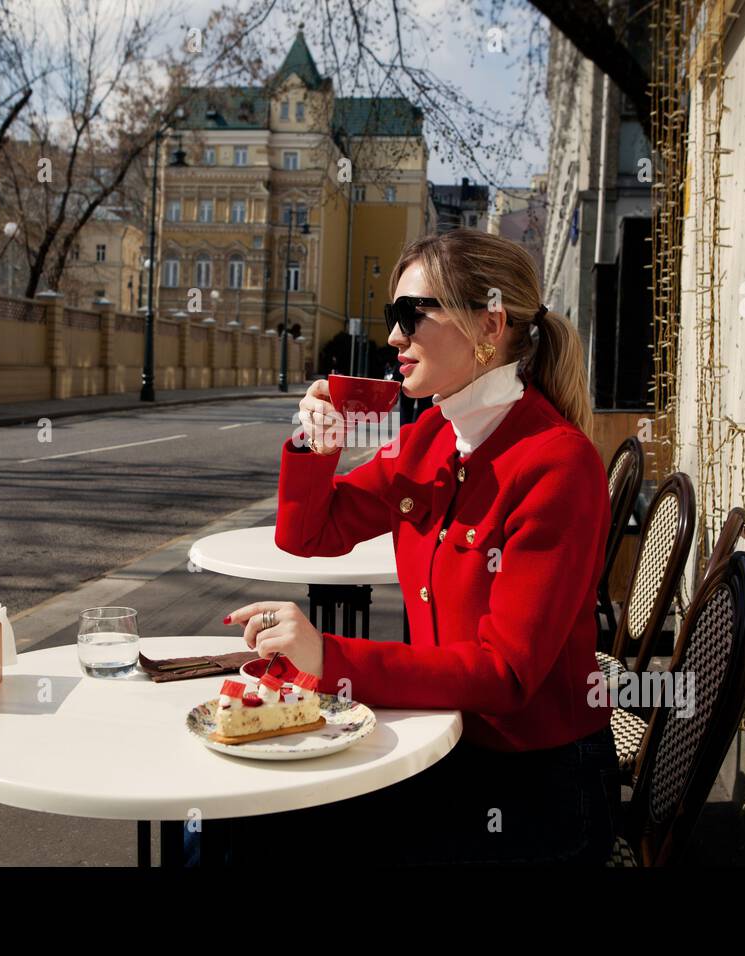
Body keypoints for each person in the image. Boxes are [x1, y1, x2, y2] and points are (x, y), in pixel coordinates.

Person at [204, 228, 618, 866]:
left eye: (408, 315)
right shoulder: (431, 438)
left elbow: (506, 674)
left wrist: (326, 654)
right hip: (443, 749)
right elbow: (310, 533)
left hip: (532, 791)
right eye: (389, 317)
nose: (392, 337)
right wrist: (318, 446)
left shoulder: (557, 465)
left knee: (262, 836)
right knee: (238, 818)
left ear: (489, 323)